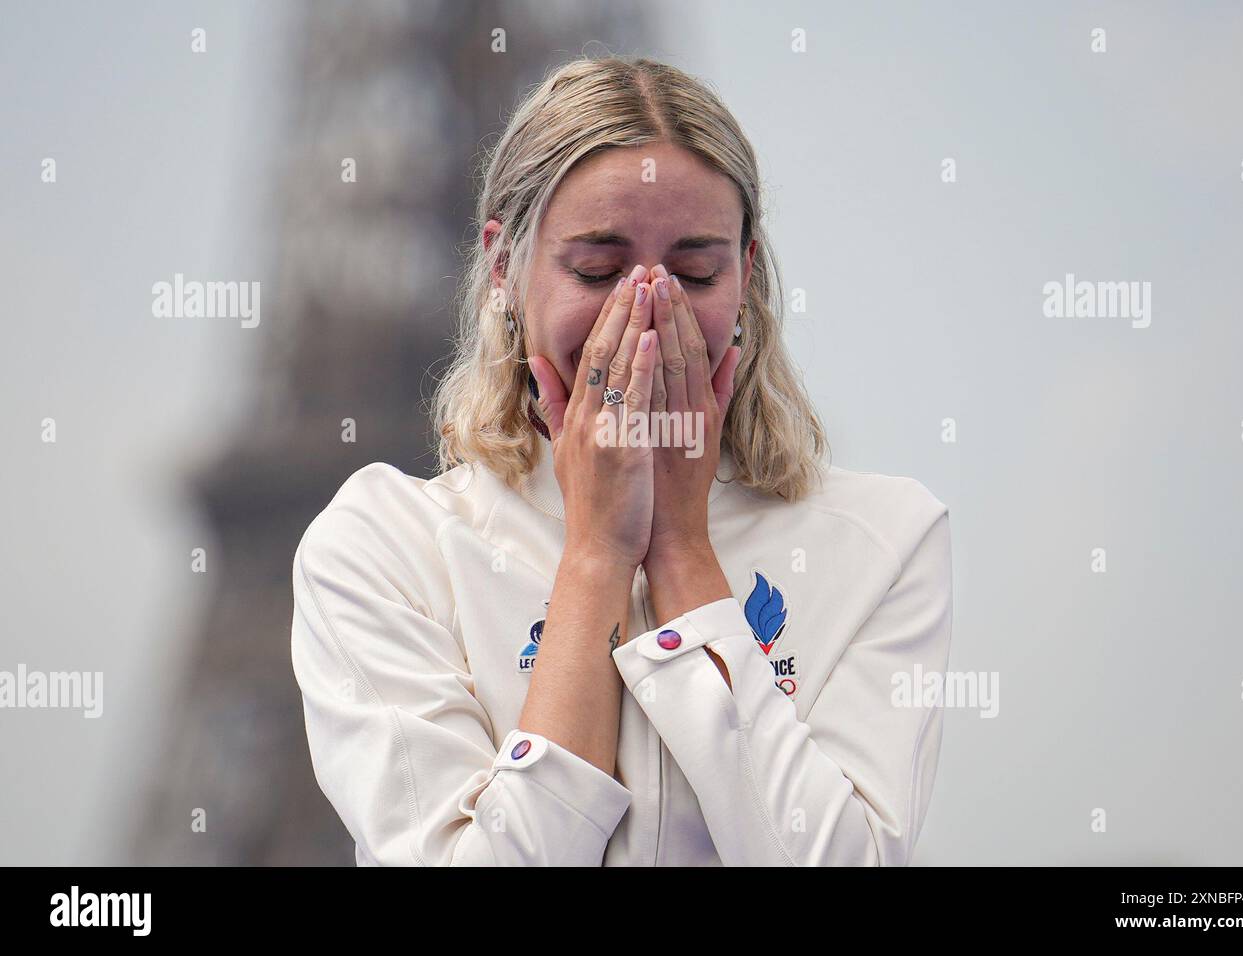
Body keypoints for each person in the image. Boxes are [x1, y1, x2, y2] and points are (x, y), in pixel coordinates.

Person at [290, 54, 953, 866]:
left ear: (744, 278)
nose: (645, 312)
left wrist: (681, 550)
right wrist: (597, 555)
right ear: (505, 268)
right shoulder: (385, 546)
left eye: (695, 272)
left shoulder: (884, 537)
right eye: (598, 270)